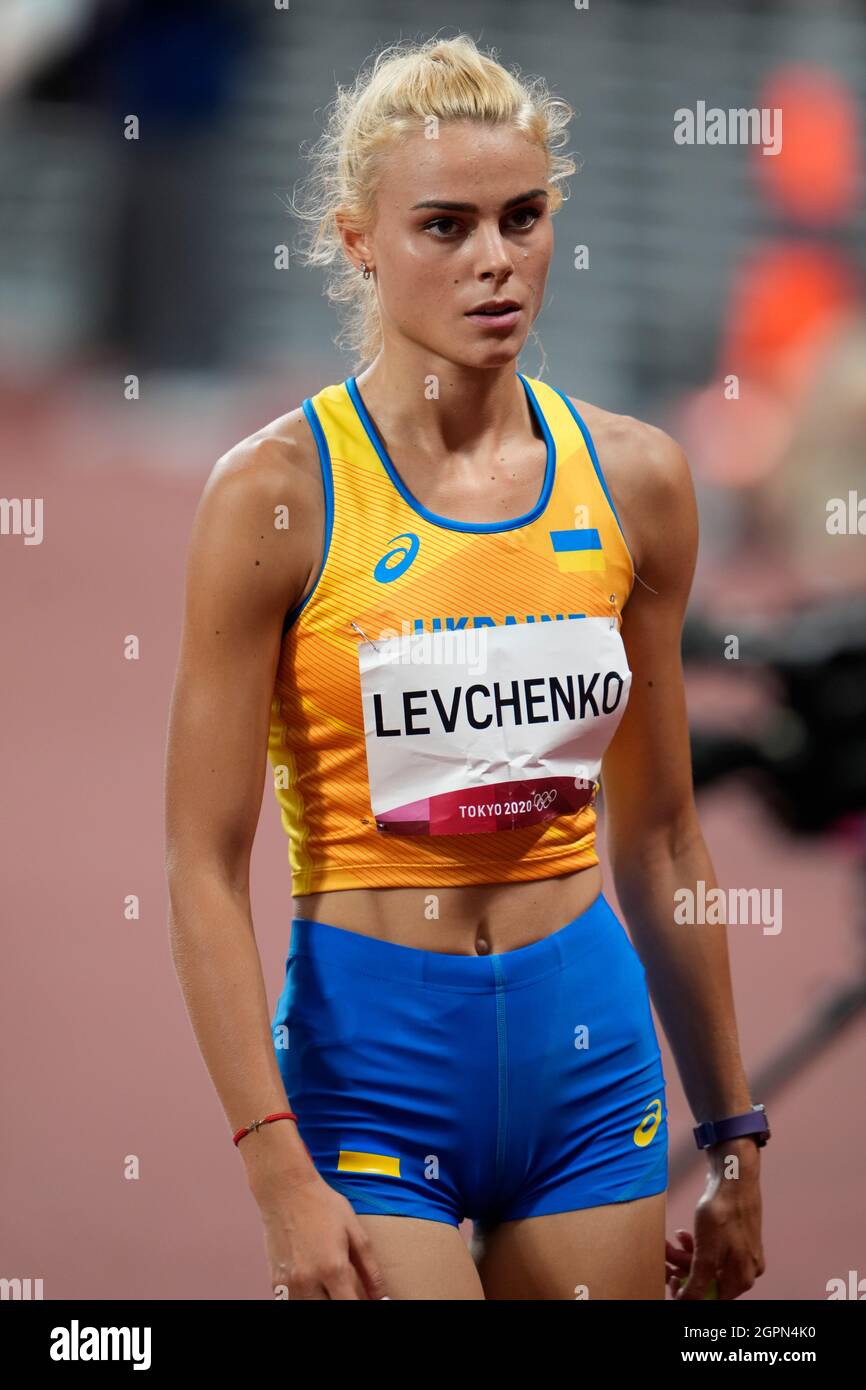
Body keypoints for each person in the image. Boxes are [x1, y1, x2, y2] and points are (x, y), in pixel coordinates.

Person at [165, 33, 767, 1301]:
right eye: (444, 225)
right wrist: (276, 1170)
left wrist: (732, 1134)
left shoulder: (636, 482)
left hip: (587, 1061)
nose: (496, 261)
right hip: (374, 1060)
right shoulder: (273, 497)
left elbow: (658, 839)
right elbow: (202, 865)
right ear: (357, 242)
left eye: (523, 217)